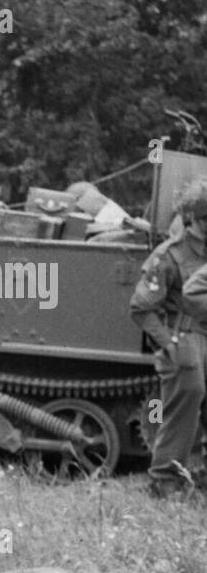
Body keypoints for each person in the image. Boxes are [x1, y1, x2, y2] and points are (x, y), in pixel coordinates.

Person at [129, 177, 207, 498]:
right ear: (199, 219)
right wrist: (169, 344)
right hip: (184, 336)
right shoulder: (170, 255)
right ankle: (164, 481)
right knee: (184, 407)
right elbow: (140, 307)